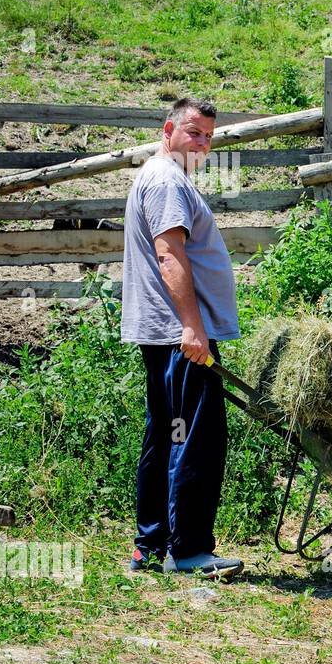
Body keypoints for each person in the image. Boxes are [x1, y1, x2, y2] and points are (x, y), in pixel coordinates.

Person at [120, 97, 243, 579]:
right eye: (194, 133)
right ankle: (188, 550)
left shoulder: (159, 176)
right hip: (181, 335)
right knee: (195, 438)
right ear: (169, 128)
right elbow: (170, 256)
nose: (203, 144)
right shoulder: (168, 180)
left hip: (168, 333)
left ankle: (149, 546)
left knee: (166, 434)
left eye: (210, 137)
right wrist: (192, 327)